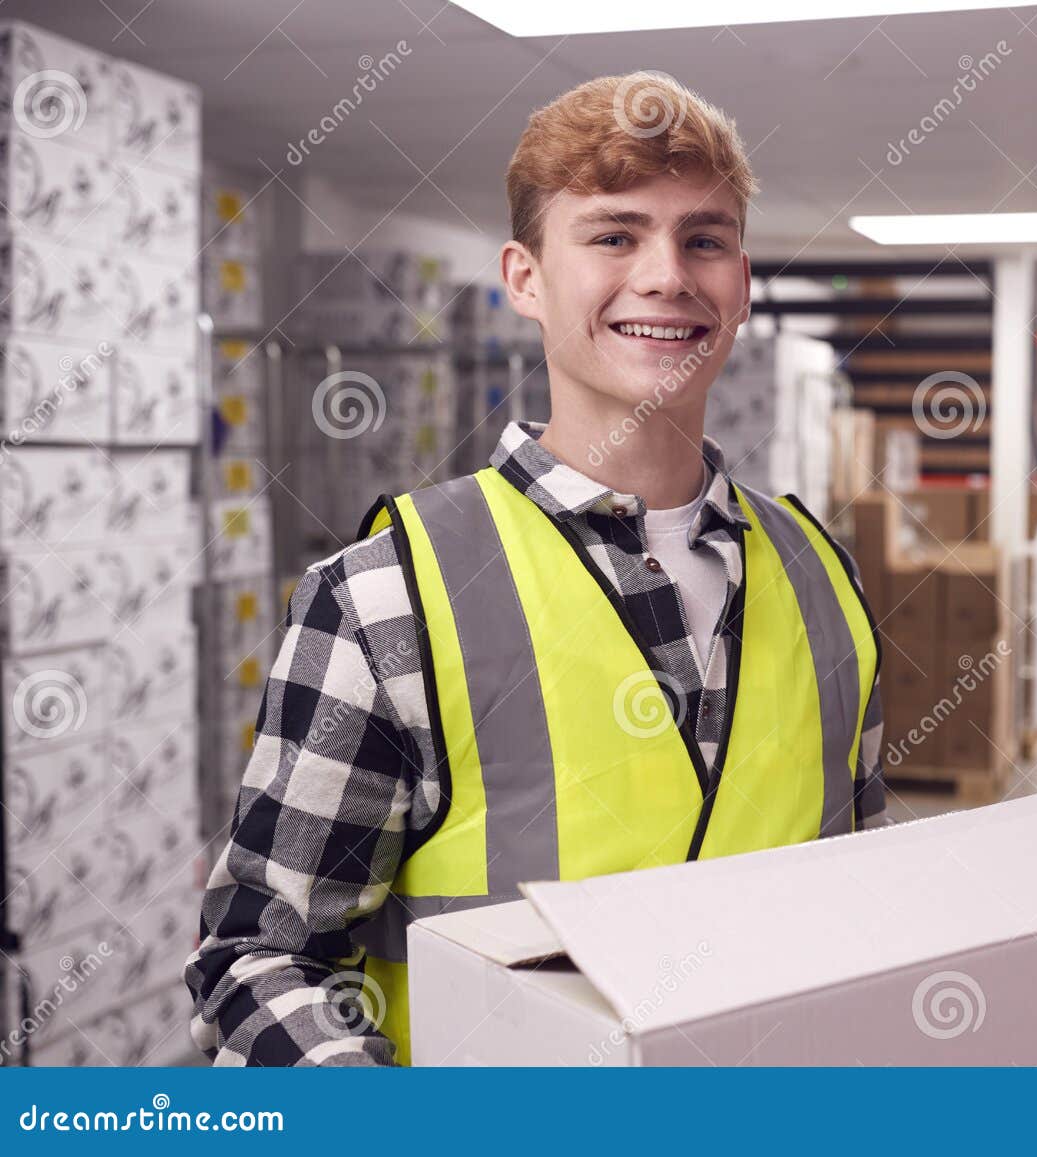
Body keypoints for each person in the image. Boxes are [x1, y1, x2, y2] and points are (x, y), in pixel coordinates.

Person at [184, 73, 887, 1066]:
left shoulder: (824, 577)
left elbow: (864, 906)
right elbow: (259, 955)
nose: (666, 276)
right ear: (524, 277)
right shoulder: (388, 595)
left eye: (705, 238)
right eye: (613, 235)